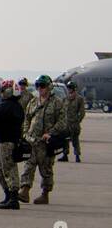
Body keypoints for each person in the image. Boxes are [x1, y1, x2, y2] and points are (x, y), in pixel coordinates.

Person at [18, 75, 67, 205]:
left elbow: (62, 122)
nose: (40, 88)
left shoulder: (57, 103)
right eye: (38, 85)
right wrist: (26, 133)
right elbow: (27, 119)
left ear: (49, 87)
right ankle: (24, 190)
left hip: (46, 143)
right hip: (33, 141)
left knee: (46, 170)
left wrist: (50, 133)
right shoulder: (33, 102)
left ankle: (45, 194)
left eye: (43, 86)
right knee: (28, 166)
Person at [0, 80, 25, 210]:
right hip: (14, 141)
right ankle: (8, 196)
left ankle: (13, 199)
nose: (2, 93)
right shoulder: (18, 107)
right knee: (1, 171)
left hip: (5, 142)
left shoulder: (3, 107)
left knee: (8, 169)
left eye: (3, 90)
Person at [59, 79, 85, 162]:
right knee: (64, 140)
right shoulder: (65, 99)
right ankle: (65, 155)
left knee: (75, 141)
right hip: (65, 124)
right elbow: (62, 111)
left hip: (74, 124)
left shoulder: (79, 99)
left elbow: (82, 112)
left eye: (71, 87)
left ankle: (77, 156)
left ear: (74, 88)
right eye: (68, 87)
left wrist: (77, 121)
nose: (69, 89)